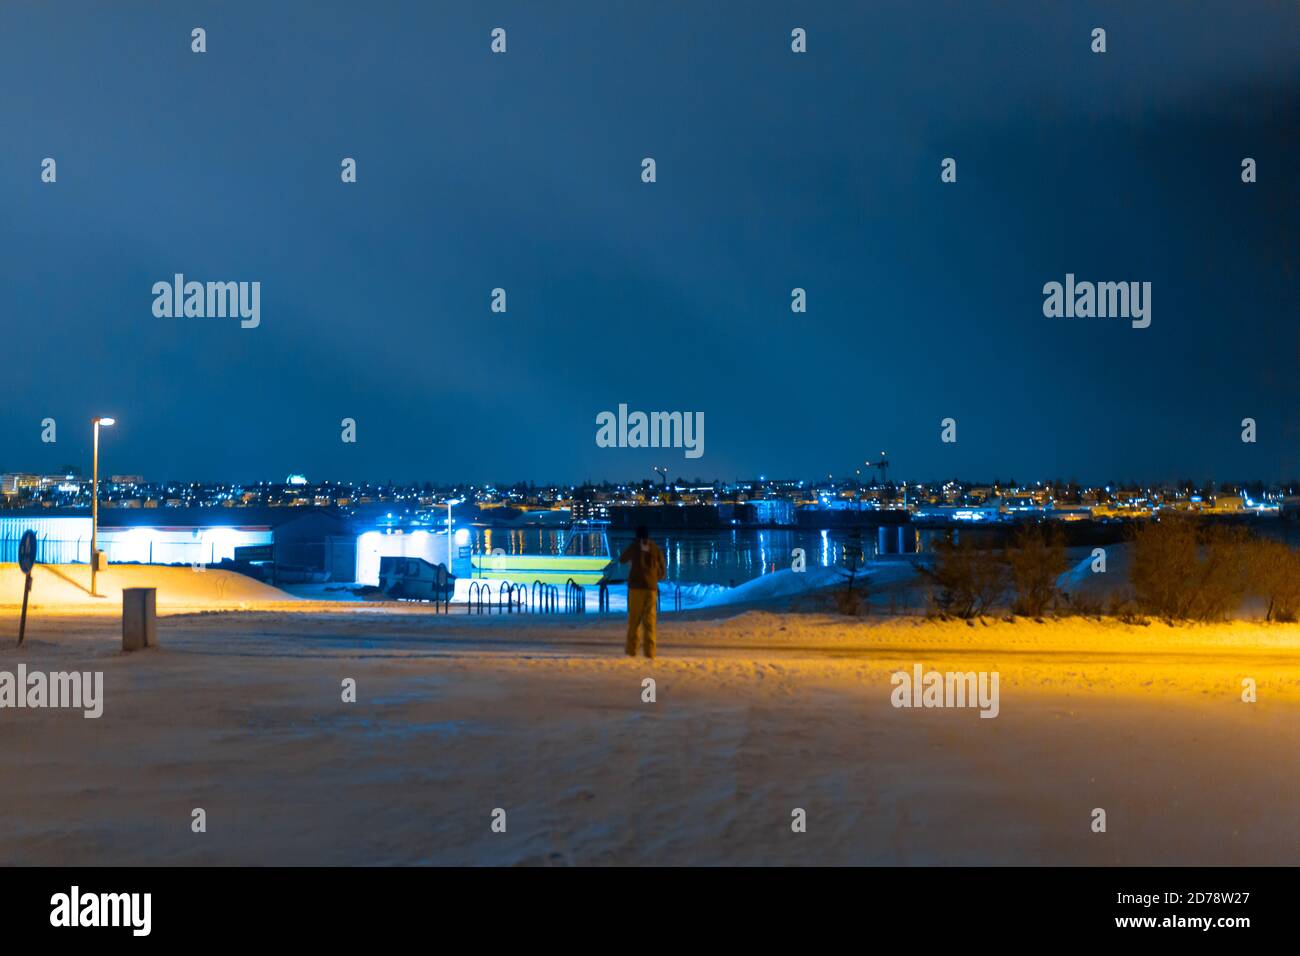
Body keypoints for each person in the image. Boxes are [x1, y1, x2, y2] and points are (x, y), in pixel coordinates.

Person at [619, 526, 665, 658]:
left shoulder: (634, 547)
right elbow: (662, 570)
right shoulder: (655, 548)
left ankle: (632, 650)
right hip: (651, 588)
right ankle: (650, 652)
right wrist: (654, 576)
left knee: (634, 620)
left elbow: (622, 559)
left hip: (636, 588)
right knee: (650, 621)